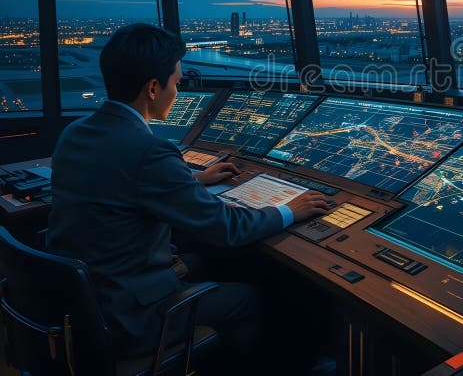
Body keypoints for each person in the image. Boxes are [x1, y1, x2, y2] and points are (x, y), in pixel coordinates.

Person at [46, 23, 332, 372]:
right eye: (177, 83)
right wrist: (289, 210)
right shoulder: (150, 150)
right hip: (133, 317)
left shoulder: (74, 133)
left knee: (206, 261)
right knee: (255, 297)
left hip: (85, 304)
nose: (178, 92)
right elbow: (226, 228)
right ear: (153, 88)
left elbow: (118, 188)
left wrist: (194, 179)